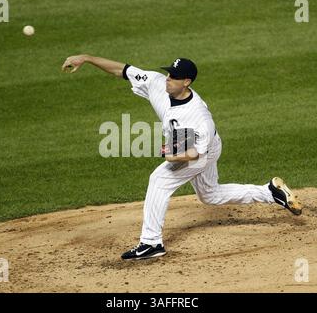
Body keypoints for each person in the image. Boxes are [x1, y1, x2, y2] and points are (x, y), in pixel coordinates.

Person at [62, 55, 303, 260]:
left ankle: (151, 243)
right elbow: (123, 70)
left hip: (200, 151)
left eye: (174, 77)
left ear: (186, 82)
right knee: (209, 195)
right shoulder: (158, 83)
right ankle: (270, 192)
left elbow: (193, 154)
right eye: (168, 74)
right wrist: (87, 58)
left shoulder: (197, 115)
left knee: (159, 180)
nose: (167, 79)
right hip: (194, 147)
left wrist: (169, 154)